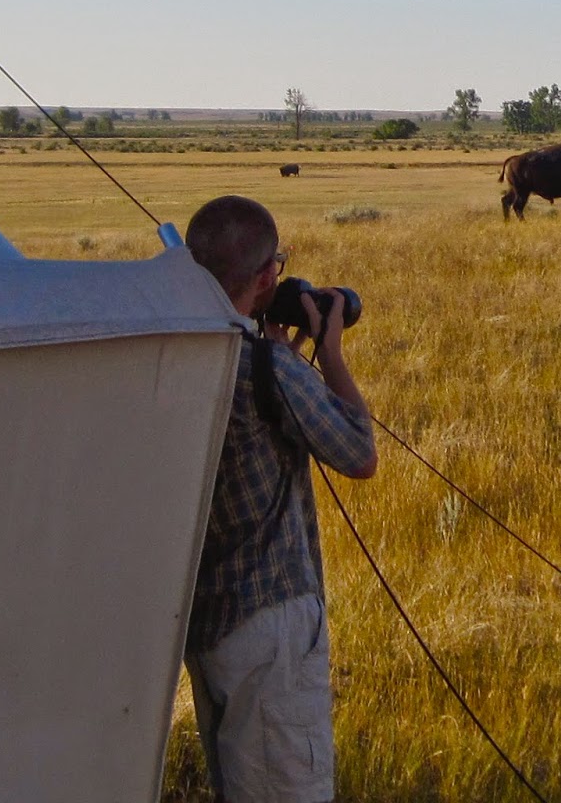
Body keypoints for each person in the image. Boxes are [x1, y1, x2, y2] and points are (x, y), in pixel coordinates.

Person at [183, 194, 377, 803]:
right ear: (268, 277)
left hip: (207, 620)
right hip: (271, 623)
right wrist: (332, 352)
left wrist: (282, 358)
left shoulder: (184, 351)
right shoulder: (264, 367)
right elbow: (359, 454)